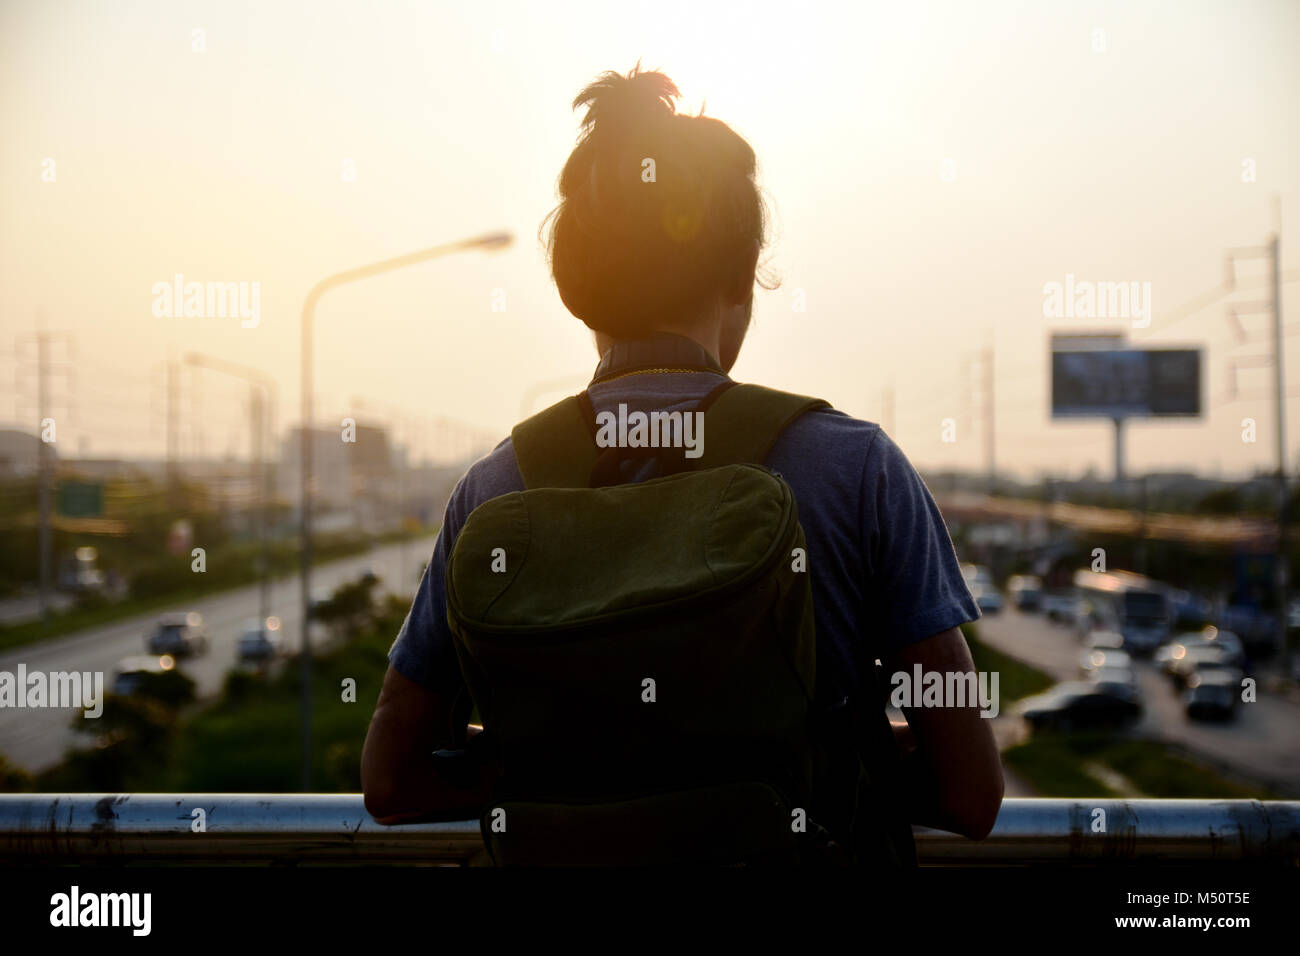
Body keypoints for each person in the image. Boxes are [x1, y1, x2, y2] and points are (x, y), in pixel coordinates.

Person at [362, 65, 1004, 845]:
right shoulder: (856, 469)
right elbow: (970, 791)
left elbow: (391, 778)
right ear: (742, 275)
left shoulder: (496, 490)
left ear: (575, 281)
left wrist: (575, 779)